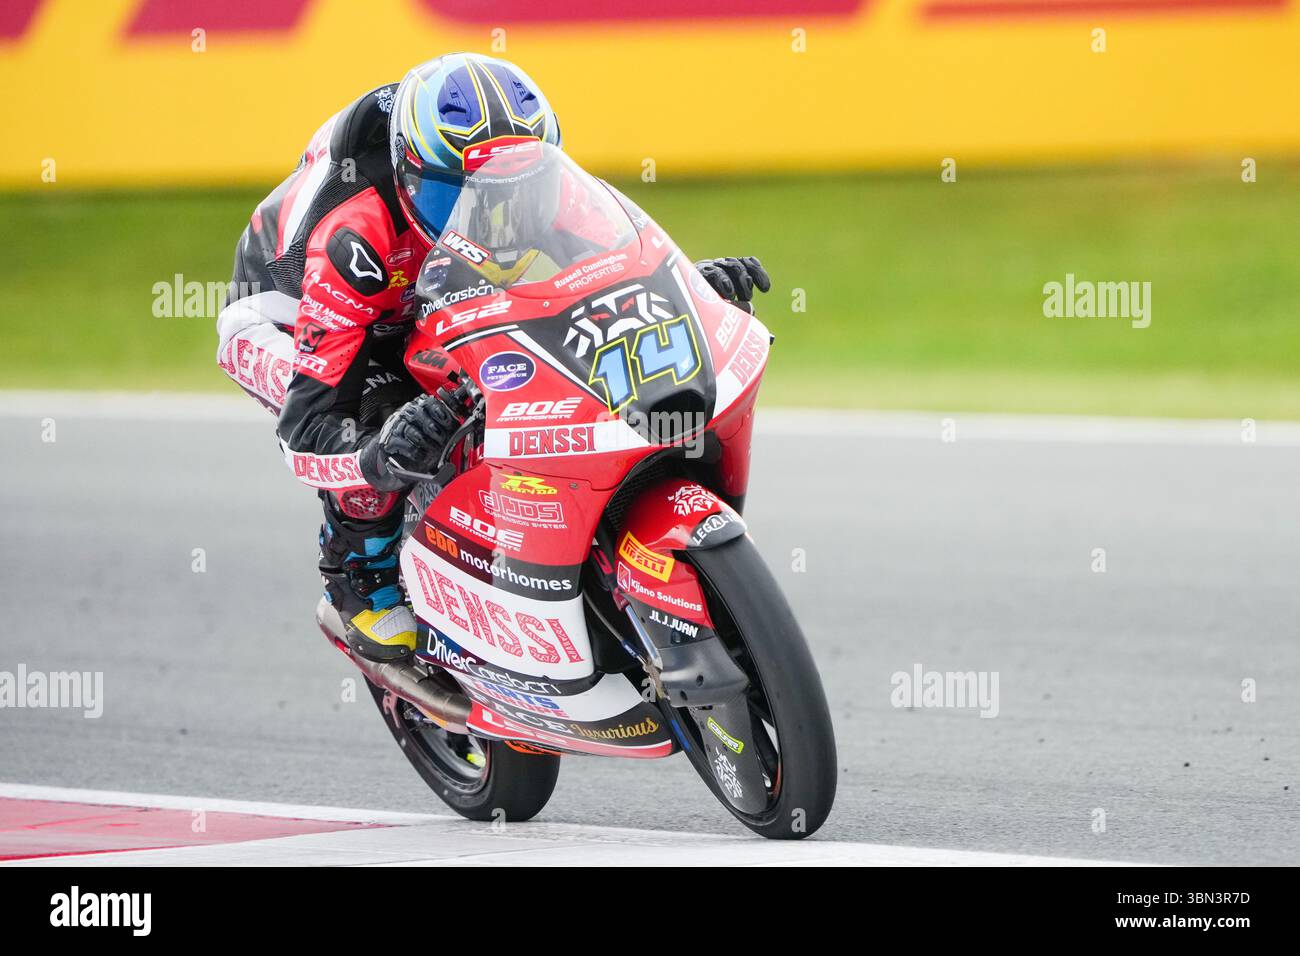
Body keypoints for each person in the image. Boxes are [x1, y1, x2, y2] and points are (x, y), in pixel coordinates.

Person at [215, 52, 770, 664]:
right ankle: (359, 575)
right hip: (287, 315)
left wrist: (689, 289)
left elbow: (612, 268)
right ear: (408, 176)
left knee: (495, 383)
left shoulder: (535, 179)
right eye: (456, 197)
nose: (494, 220)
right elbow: (307, 430)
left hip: (417, 295)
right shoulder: (354, 235)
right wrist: (381, 451)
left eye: (517, 193)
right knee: (390, 418)